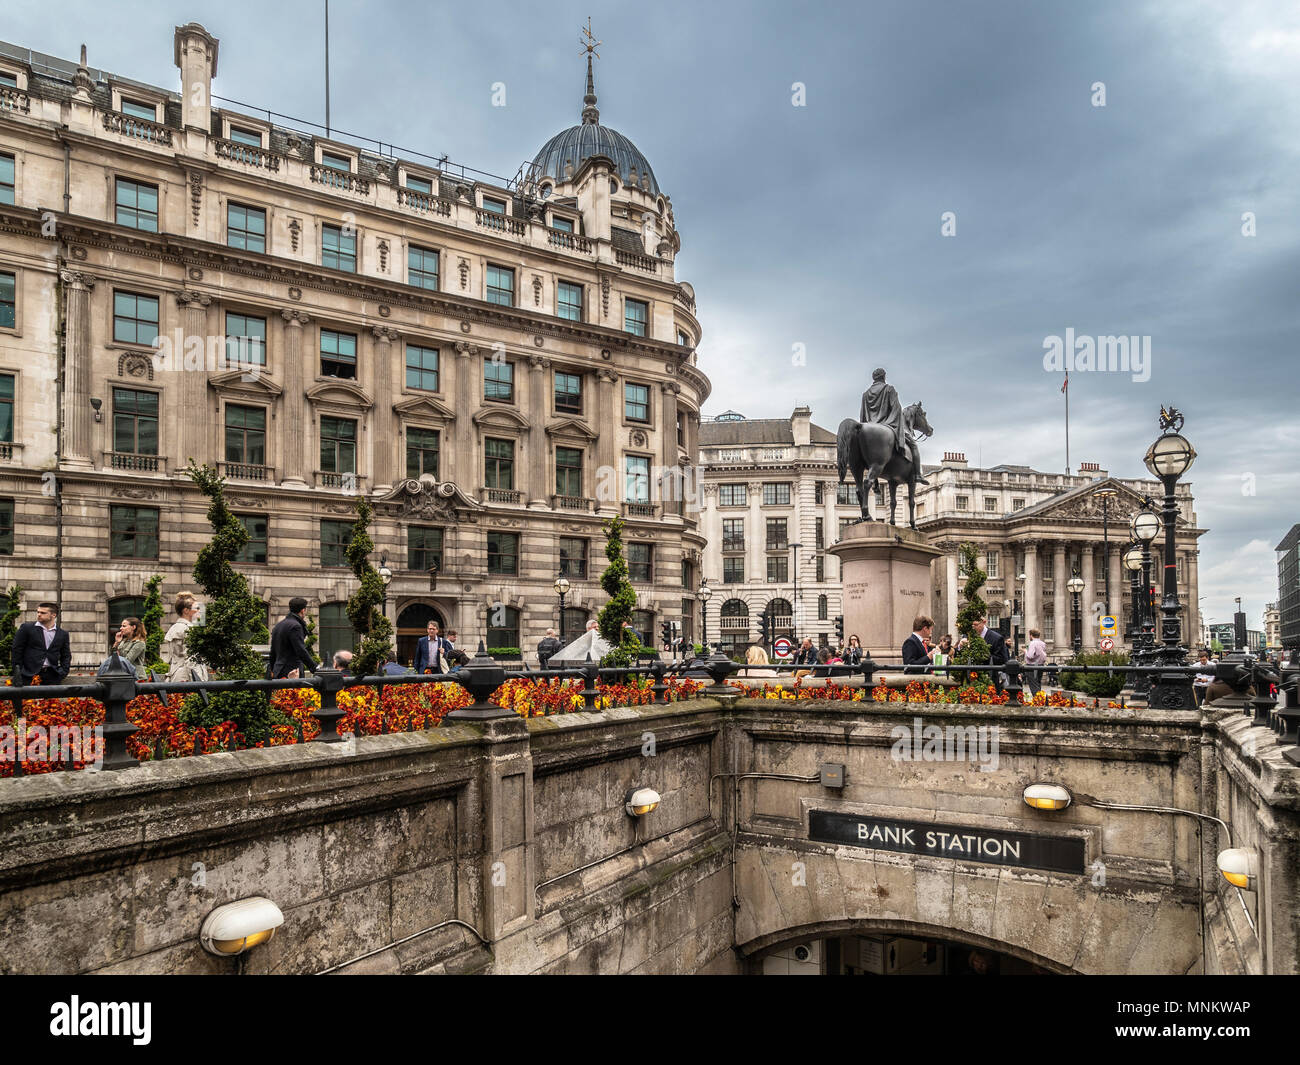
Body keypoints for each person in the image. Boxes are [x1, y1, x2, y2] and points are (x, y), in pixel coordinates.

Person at [860, 367, 927, 483]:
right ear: (884, 377)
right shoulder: (889, 389)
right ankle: (917, 475)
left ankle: (873, 479)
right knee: (914, 445)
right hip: (888, 425)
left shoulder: (865, 394)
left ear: (873, 378)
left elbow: (863, 414)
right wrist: (896, 426)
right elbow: (896, 409)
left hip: (869, 428)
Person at [12, 602, 72, 688]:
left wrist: (63, 672)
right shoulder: (27, 628)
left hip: (52, 676)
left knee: (50, 701)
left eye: (43, 613)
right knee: (28, 701)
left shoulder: (62, 634)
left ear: (53, 615)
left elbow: (66, 655)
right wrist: (18, 671)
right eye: (38, 612)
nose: (39, 614)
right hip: (28, 675)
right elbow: (16, 650)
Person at [268, 597, 319, 679]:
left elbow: (273, 651)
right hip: (292, 672)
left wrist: (272, 670)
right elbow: (300, 650)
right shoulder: (296, 626)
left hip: (278, 671)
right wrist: (315, 668)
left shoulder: (278, 625)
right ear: (303, 610)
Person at [163, 593, 210, 682]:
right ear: (186, 611)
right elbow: (191, 660)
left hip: (177, 675)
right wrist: (199, 682)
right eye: (197, 608)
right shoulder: (188, 629)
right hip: (188, 679)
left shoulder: (176, 627)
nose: (199, 611)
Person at [973, 617, 1009, 692]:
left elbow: (1002, 659)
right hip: (973, 678)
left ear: (983, 622)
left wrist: (985, 655)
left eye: (976, 625)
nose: (973, 627)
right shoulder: (971, 636)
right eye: (972, 625)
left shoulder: (996, 638)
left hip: (991, 679)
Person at [1023, 628, 1047, 695]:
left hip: (1032, 666)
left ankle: (1037, 701)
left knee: (1033, 685)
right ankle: (1040, 700)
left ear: (1031, 635)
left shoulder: (1032, 643)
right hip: (1041, 665)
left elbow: (1030, 656)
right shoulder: (1042, 643)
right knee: (1038, 684)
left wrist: (1025, 651)